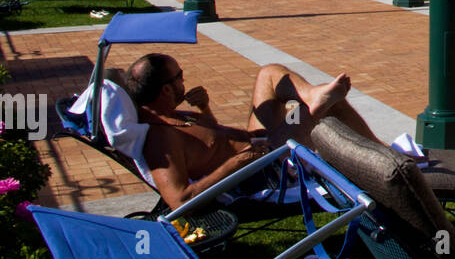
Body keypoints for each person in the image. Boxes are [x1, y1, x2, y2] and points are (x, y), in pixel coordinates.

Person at [125, 53, 379, 210]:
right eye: (179, 76)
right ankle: (383, 156)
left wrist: (204, 109)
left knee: (268, 73)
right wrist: (237, 162)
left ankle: (311, 96)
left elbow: (213, 139)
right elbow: (179, 201)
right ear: (166, 91)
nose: (184, 79)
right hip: (263, 169)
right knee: (327, 104)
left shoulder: (176, 116)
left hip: (259, 145)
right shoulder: (160, 141)